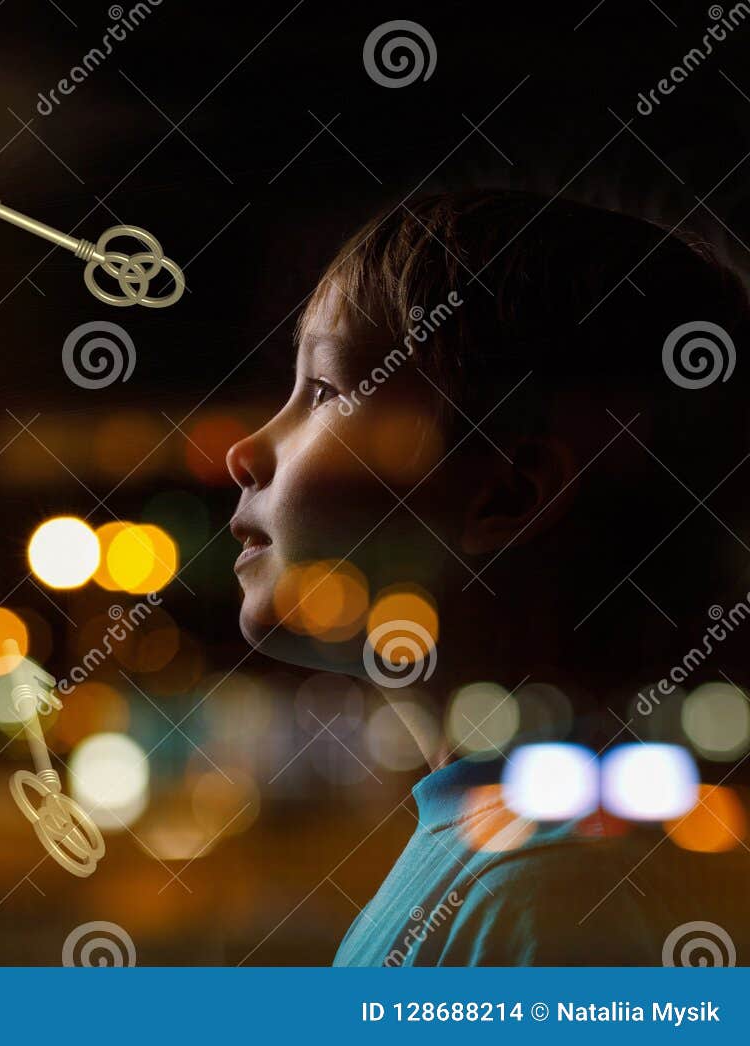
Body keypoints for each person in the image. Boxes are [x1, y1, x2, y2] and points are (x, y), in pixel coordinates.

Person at [224, 190, 750, 966]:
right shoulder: (498, 860)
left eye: (327, 390)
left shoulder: (545, 899)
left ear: (507, 492)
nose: (245, 450)